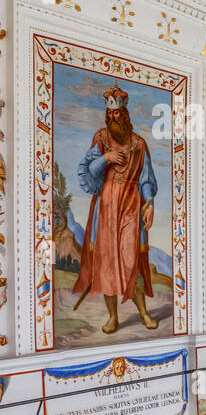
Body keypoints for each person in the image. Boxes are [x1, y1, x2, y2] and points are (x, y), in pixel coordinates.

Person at [74, 84, 159, 335]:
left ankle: (143, 312)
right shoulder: (100, 139)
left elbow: (146, 178)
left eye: (118, 113)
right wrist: (105, 159)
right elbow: (86, 169)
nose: (114, 117)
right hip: (106, 209)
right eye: (110, 114)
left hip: (132, 206)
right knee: (106, 262)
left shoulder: (139, 144)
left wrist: (150, 203)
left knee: (132, 259)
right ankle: (113, 317)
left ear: (126, 114)